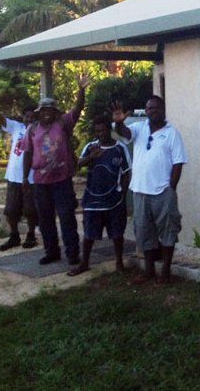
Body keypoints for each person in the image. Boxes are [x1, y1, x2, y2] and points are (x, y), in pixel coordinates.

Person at [112, 95, 188, 283]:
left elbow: (178, 163)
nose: (152, 111)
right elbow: (125, 134)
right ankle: (149, 270)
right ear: (145, 111)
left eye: (155, 108)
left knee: (168, 231)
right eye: (149, 108)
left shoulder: (172, 133)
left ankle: (166, 272)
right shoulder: (139, 128)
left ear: (163, 109)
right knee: (143, 231)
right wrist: (119, 123)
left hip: (163, 192)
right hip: (140, 190)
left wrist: (171, 188)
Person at [22, 74, 89, 265]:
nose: (46, 113)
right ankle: (51, 252)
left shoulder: (63, 123)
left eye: (50, 110)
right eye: (43, 110)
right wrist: (25, 178)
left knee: (67, 217)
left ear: (55, 112)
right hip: (40, 183)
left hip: (62, 180)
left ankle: (72, 253)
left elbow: (77, 109)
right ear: (39, 112)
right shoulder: (32, 129)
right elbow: (27, 153)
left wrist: (81, 90)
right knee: (45, 219)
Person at [68, 114, 131, 276]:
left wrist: (122, 194)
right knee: (89, 235)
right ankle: (84, 263)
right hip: (92, 200)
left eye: (103, 130)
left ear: (109, 130)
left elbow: (126, 173)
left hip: (114, 200)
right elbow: (77, 165)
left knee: (117, 234)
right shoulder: (90, 147)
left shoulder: (120, 148)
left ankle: (119, 262)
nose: (100, 134)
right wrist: (91, 157)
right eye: (97, 131)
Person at [0, 87, 38, 252]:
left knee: (30, 209)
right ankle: (14, 236)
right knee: (11, 209)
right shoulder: (17, 127)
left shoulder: (39, 130)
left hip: (32, 178)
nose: (29, 119)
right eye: (26, 116)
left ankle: (31, 235)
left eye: (32, 117)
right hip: (13, 177)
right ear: (23, 117)